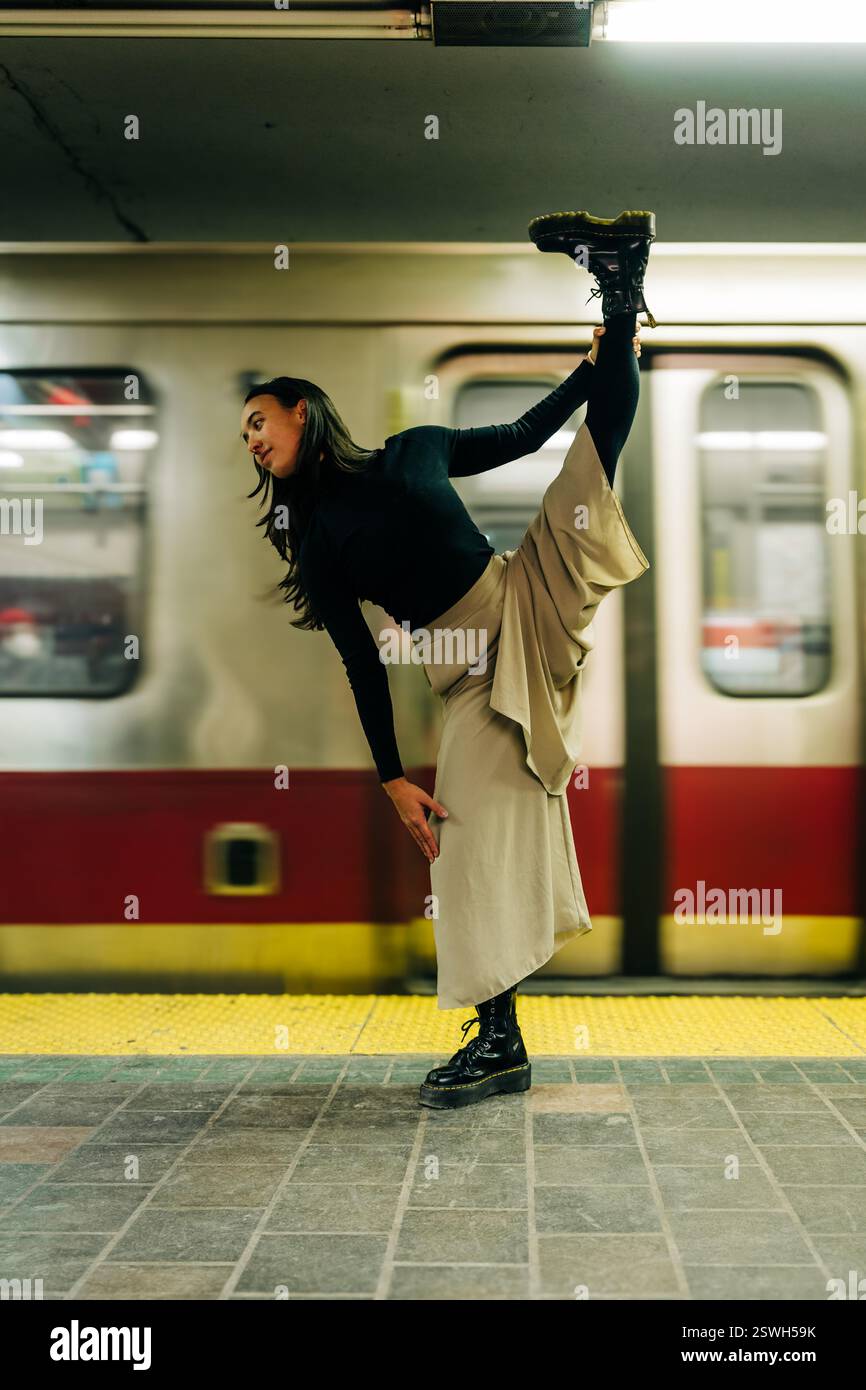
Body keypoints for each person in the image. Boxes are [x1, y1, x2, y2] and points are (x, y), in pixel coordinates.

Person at [241, 209, 655, 1109]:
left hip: (518, 599)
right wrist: (392, 776)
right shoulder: (316, 543)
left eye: (258, 422)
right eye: (244, 438)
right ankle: (501, 1038)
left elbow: (522, 437)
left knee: (590, 466)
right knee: (459, 847)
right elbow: (360, 660)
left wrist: (591, 368)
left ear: (301, 411)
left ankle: (621, 289)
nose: (252, 441)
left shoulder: (415, 451)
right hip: (468, 675)